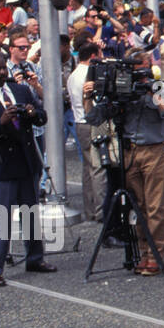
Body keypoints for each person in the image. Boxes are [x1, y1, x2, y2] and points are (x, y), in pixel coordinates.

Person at [83, 50, 164, 275]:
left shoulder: (157, 88)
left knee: (155, 207)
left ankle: (156, 255)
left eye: (141, 70)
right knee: (139, 207)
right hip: (129, 152)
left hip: (153, 151)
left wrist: (150, 91)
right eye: (133, 71)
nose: (137, 76)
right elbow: (95, 117)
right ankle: (144, 253)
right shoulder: (120, 88)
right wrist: (88, 96)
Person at [0, 52, 56, 286]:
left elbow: (42, 117)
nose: (2, 73)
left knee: (30, 214)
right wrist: (1, 122)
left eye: (3, 68)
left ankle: (35, 258)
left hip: (26, 163)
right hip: (1, 166)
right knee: (1, 218)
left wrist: (33, 113)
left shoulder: (22, 90)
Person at [68, 37, 107, 223]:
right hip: (91, 121)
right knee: (98, 168)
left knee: (87, 167)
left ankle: (90, 209)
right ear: (93, 56)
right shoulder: (89, 75)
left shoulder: (73, 74)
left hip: (78, 122)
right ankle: (101, 211)